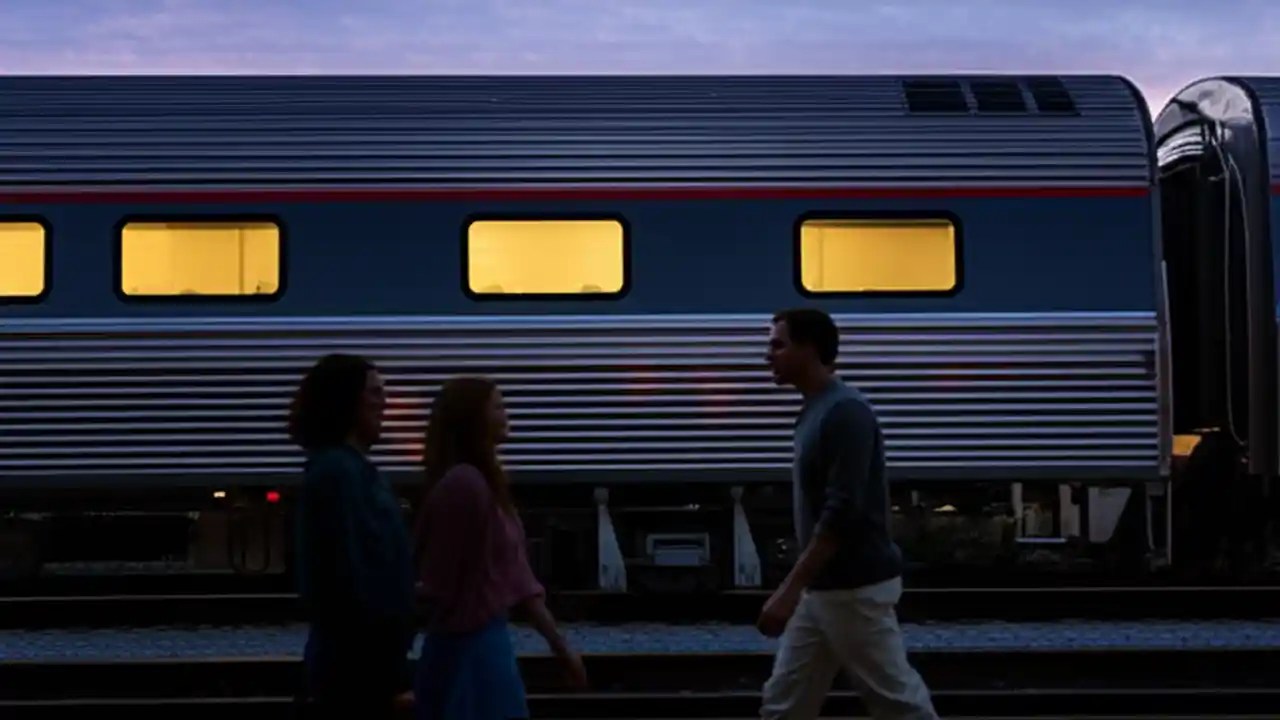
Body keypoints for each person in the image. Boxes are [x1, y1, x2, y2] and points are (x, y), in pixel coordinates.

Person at [758, 308, 938, 720]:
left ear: (810, 349)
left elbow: (842, 513)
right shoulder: (818, 410)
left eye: (778, 345)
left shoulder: (845, 413)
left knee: (898, 703)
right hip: (825, 590)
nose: (768, 356)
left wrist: (787, 590)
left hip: (852, 589)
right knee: (784, 704)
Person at [412, 376, 588, 720]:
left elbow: (518, 578)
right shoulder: (466, 485)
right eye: (497, 407)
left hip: (479, 645)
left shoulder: (480, 484)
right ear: (474, 419)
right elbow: (441, 580)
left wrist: (560, 645)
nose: (506, 415)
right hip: (470, 649)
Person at [287, 353, 416, 719]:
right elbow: (350, 581)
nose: (384, 402)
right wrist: (389, 677)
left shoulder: (346, 470)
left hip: (358, 664)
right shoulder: (340, 475)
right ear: (347, 401)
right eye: (374, 393)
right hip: (359, 672)